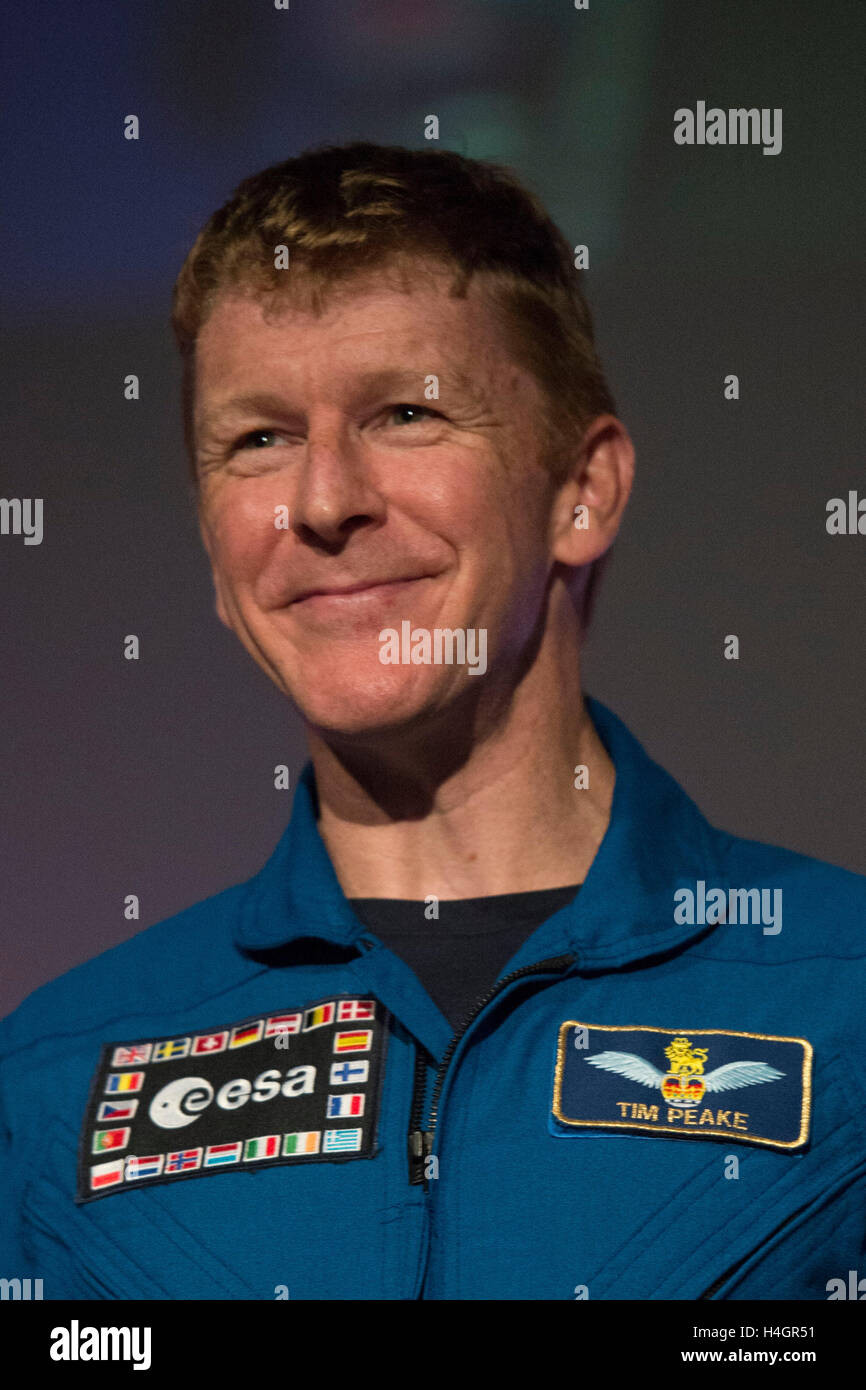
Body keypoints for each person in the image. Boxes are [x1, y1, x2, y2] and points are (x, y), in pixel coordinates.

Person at [1, 143, 864, 1301]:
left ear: (582, 491)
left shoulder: (836, 991)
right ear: (212, 544)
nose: (319, 502)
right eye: (257, 439)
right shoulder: (51, 1077)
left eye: (404, 412)